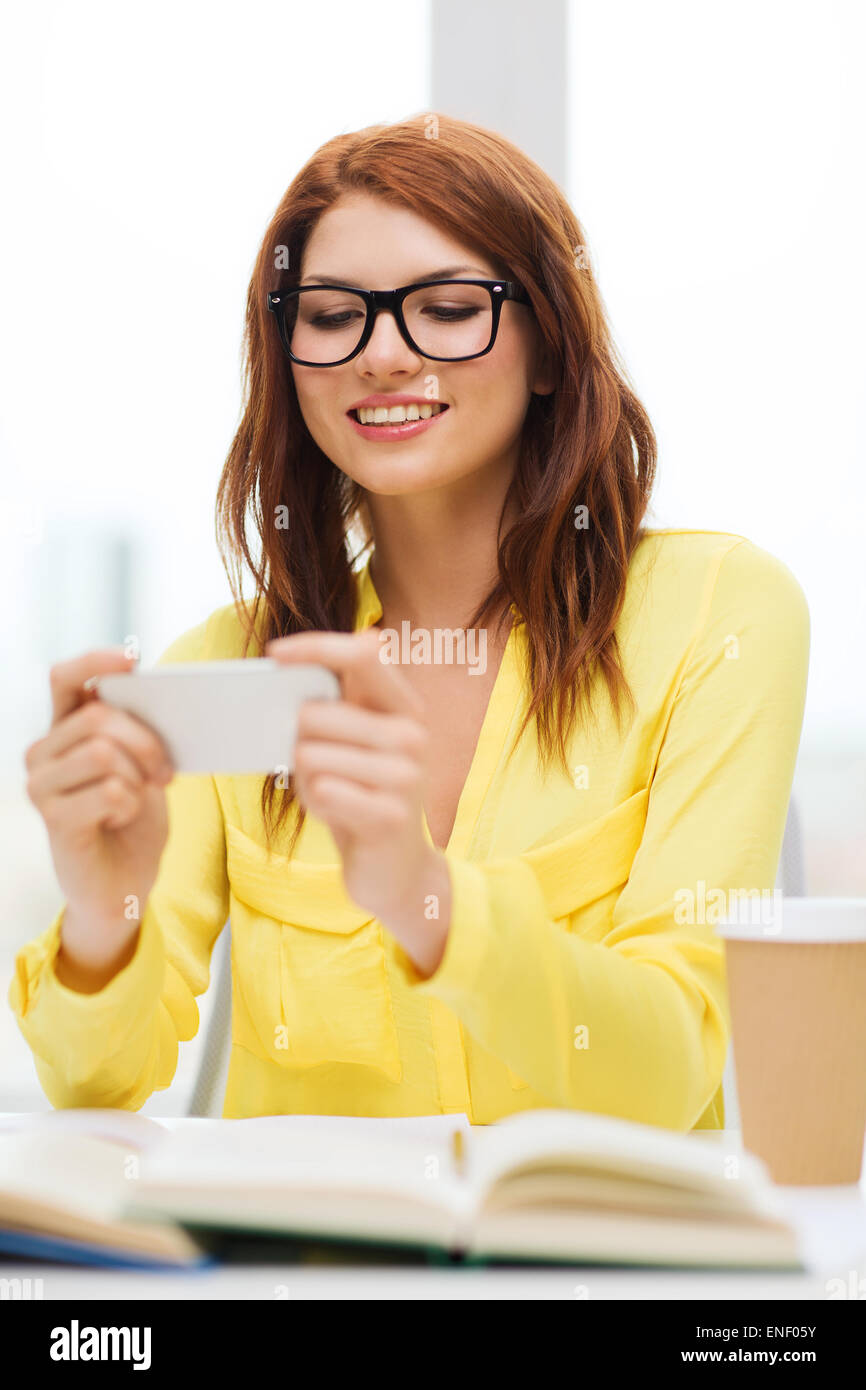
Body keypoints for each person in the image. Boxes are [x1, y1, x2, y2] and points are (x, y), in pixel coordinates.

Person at [10, 114, 809, 1128]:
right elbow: (94, 1085)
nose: (382, 355)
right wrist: (100, 912)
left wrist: (428, 901)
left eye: (443, 307)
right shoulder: (226, 665)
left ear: (551, 348)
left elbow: (672, 1070)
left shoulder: (719, 614)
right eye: (332, 316)